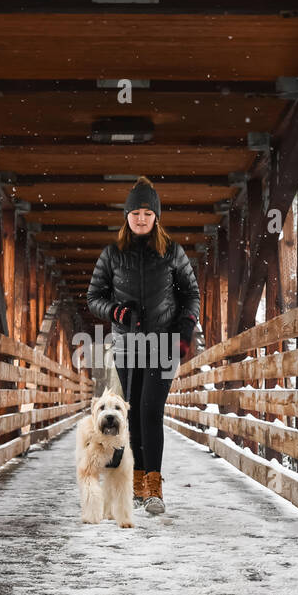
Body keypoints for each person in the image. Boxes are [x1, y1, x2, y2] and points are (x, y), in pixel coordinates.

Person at [86, 176, 202, 514]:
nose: (141, 218)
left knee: (151, 410)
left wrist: (184, 330)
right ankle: (136, 483)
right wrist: (115, 310)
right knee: (134, 415)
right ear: (126, 215)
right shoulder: (112, 255)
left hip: (163, 343)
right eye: (135, 212)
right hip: (126, 346)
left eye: (147, 213)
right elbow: (94, 298)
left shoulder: (172, 253)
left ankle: (154, 488)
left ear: (156, 217)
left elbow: (191, 294)